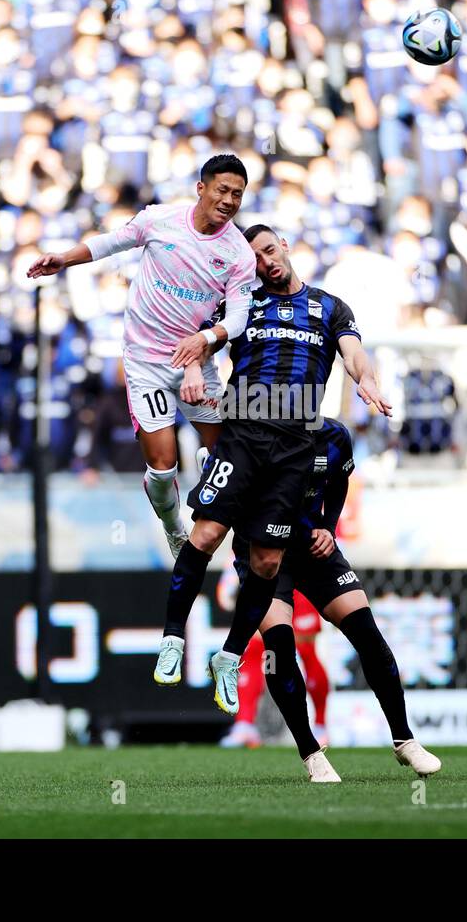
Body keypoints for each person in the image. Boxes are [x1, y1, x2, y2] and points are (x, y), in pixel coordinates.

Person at [155, 223, 392, 720]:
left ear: (283, 243)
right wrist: (195, 367)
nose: (264, 262)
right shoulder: (242, 304)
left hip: (294, 451)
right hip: (243, 437)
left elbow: (352, 351)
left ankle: (230, 654)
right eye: (255, 259)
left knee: (266, 563)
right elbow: (200, 341)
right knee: (204, 534)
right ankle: (172, 639)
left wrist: (366, 379)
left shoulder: (330, 307)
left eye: (267, 250)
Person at [25, 154, 256, 556]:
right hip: (146, 363)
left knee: (228, 454)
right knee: (162, 468)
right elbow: (111, 242)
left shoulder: (238, 253)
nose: (229, 200)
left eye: (237, 194)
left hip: (197, 362)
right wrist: (63, 258)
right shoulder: (160, 220)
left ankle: (209, 482)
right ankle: (172, 526)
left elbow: (238, 316)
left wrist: (206, 338)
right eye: (222, 190)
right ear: (201, 188)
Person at [218, 417, 441, 781]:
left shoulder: (335, 435)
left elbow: (339, 481)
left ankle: (405, 740)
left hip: (312, 547)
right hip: (265, 551)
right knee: (278, 647)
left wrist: (328, 526)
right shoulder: (253, 434)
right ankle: (311, 752)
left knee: (367, 633)